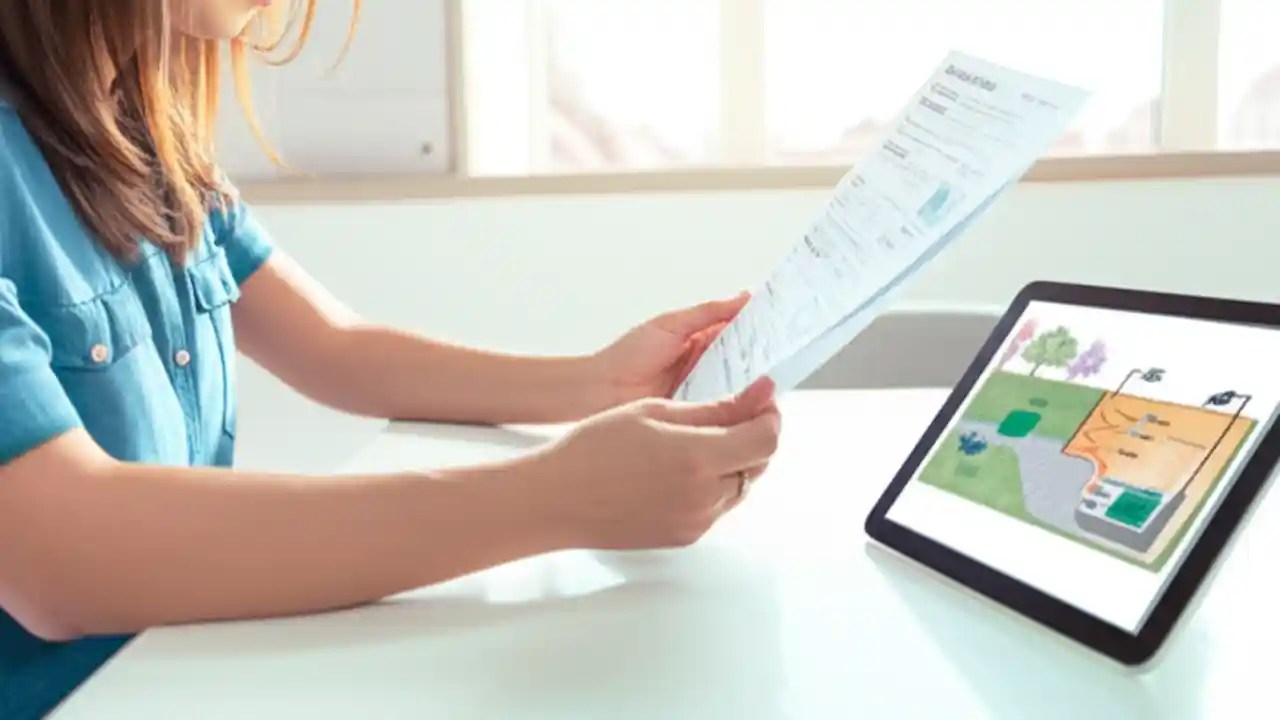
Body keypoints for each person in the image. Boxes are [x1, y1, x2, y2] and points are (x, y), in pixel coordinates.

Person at [0, 1, 782, 716]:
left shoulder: (144, 135)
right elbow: (62, 556)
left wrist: (596, 382)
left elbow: (336, 348)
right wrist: (559, 495)